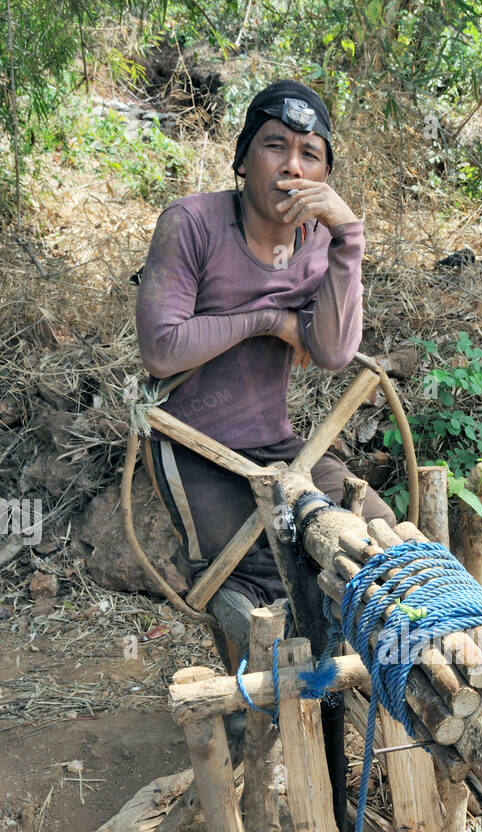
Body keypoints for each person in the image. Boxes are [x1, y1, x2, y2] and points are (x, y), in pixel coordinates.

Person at [135, 80, 396, 662]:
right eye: (275, 146)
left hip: (278, 449)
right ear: (243, 158)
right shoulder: (192, 224)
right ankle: (259, 719)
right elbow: (161, 347)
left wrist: (349, 239)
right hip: (192, 449)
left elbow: (331, 351)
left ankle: (346, 691)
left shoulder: (318, 243)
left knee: (377, 536)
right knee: (264, 575)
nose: (291, 168)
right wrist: (266, 320)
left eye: (311, 155)